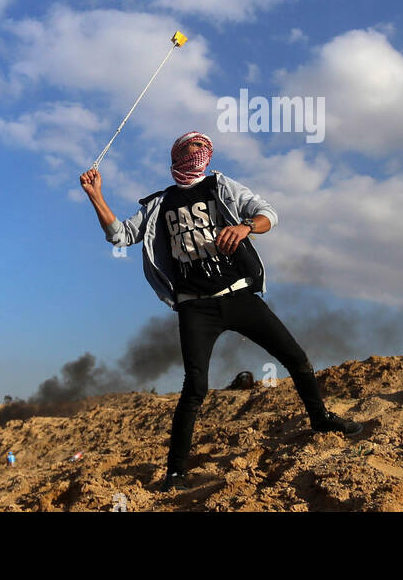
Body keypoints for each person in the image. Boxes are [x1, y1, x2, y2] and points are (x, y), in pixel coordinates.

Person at [80, 131, 362, 492]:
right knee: (195, 387)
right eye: (192, 147)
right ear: (178, 155)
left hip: (238, 296)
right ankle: (176, 473)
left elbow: (268, 214)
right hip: (195, 308)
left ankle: (320, 418)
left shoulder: (221, 186)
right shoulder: (159, 204)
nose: (199, 152)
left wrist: (246, 228)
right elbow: (120, 235)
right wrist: (96, 195)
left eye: (204, 147)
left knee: (296, 357)